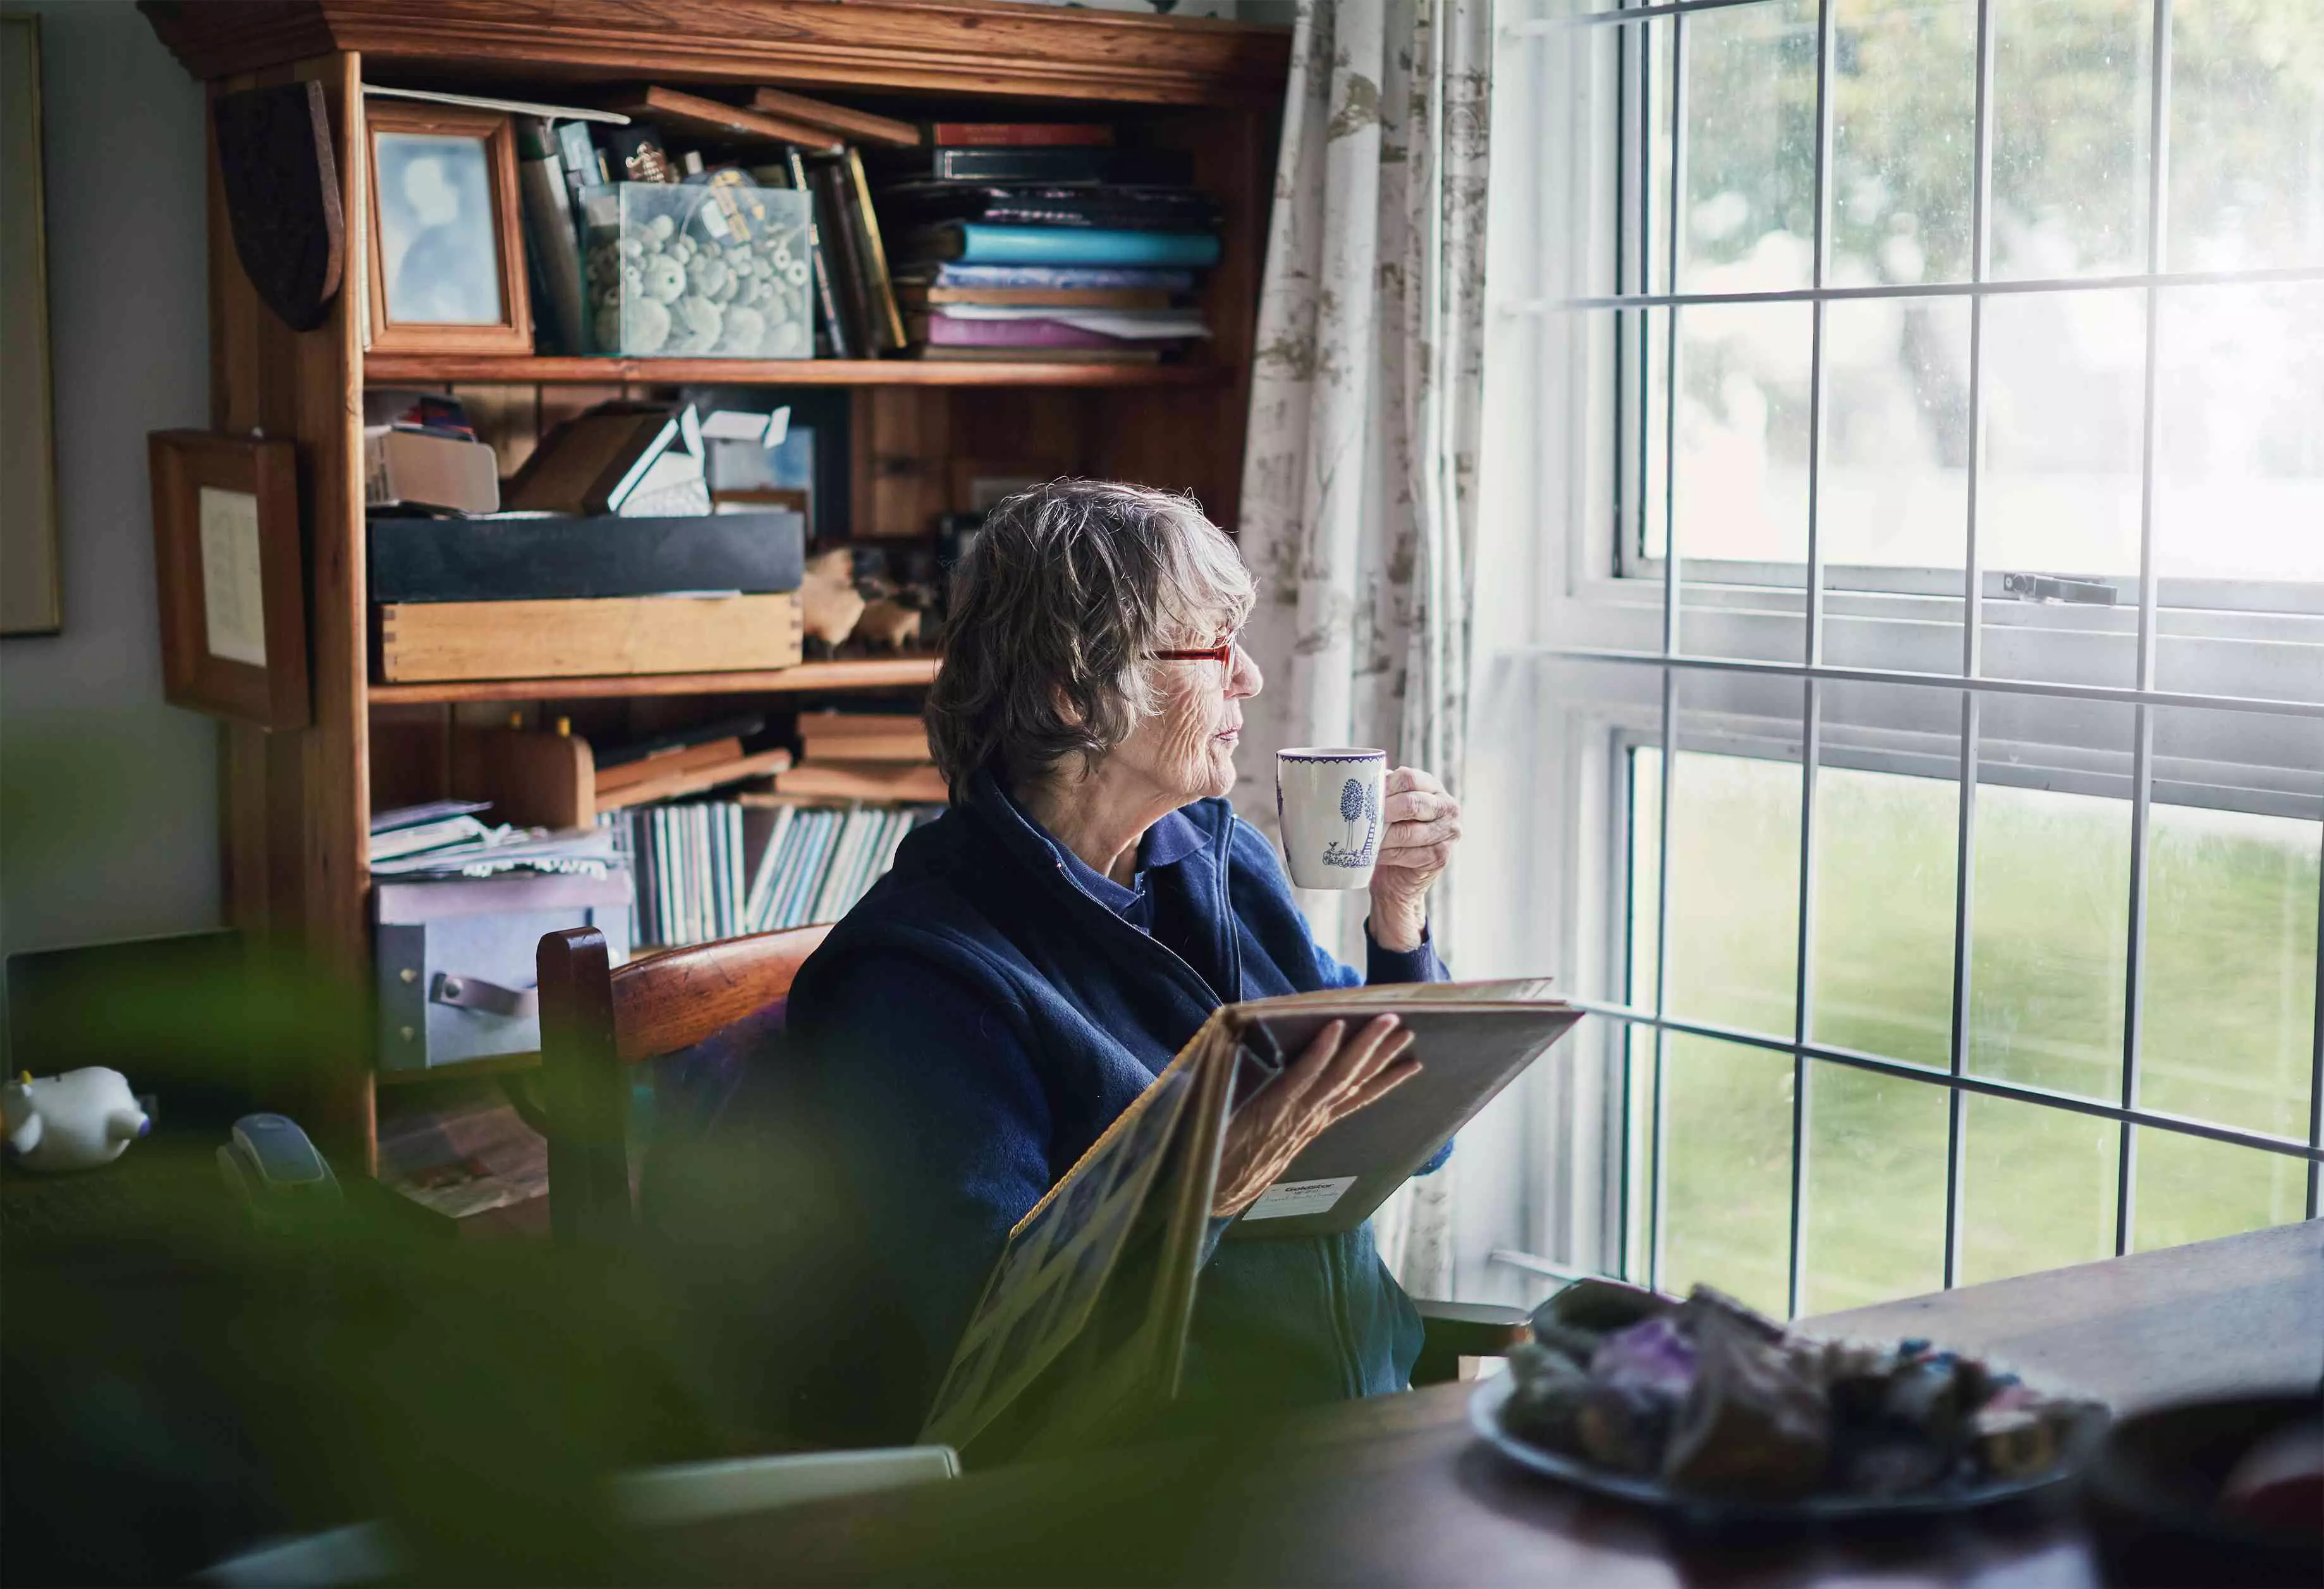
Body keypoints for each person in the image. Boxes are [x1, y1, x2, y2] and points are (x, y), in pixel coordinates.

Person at [783, 479, 1465, 1444]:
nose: (1251, 678)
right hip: (1157, 1500)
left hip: (1360, 1431)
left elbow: (1413, 1142)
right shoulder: (922, 979)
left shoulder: (1224, 860)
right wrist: (1207, 1186)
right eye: (1213, 645)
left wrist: (1399, 922)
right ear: (1076, 688)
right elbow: (996, 1354)